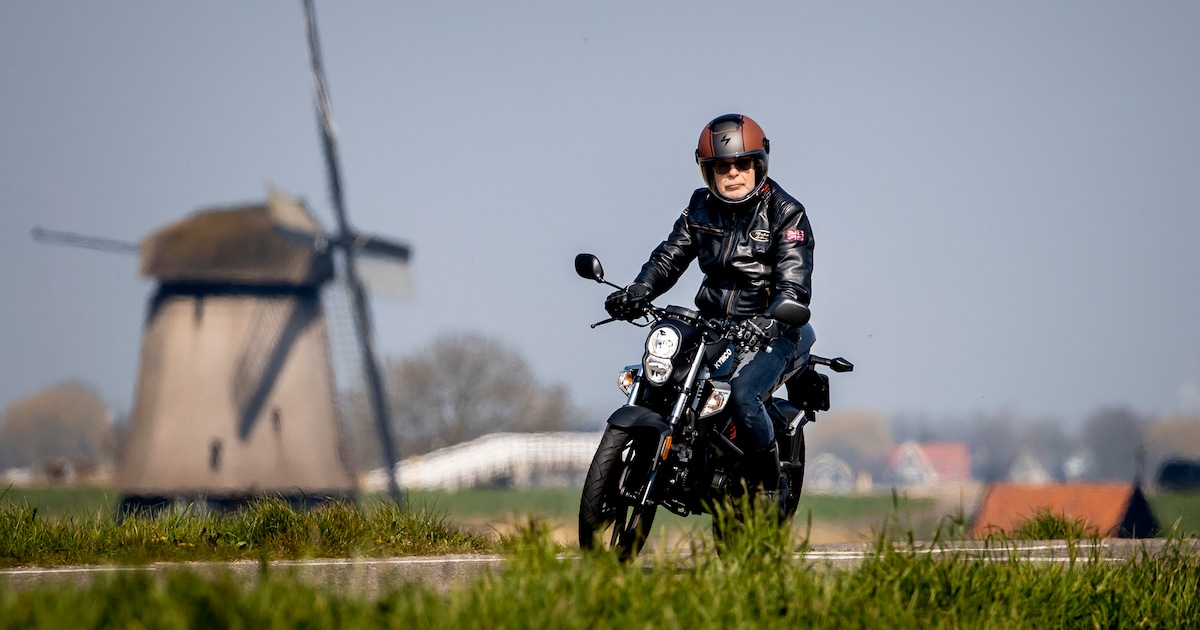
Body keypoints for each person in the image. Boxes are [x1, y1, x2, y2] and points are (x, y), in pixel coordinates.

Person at [604, 113, 814, 515]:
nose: (733, 173)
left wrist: (770, 319)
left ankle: (767, 485)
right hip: (713, 324)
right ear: (709, 171)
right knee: (661, 374)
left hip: (774, 327)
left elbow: (794, 284)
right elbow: (669, 257)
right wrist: (638, 290)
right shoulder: (700, 207)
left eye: (742, 163)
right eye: (722, 166)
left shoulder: (786, 213)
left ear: (758, 164)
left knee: (742, 395)